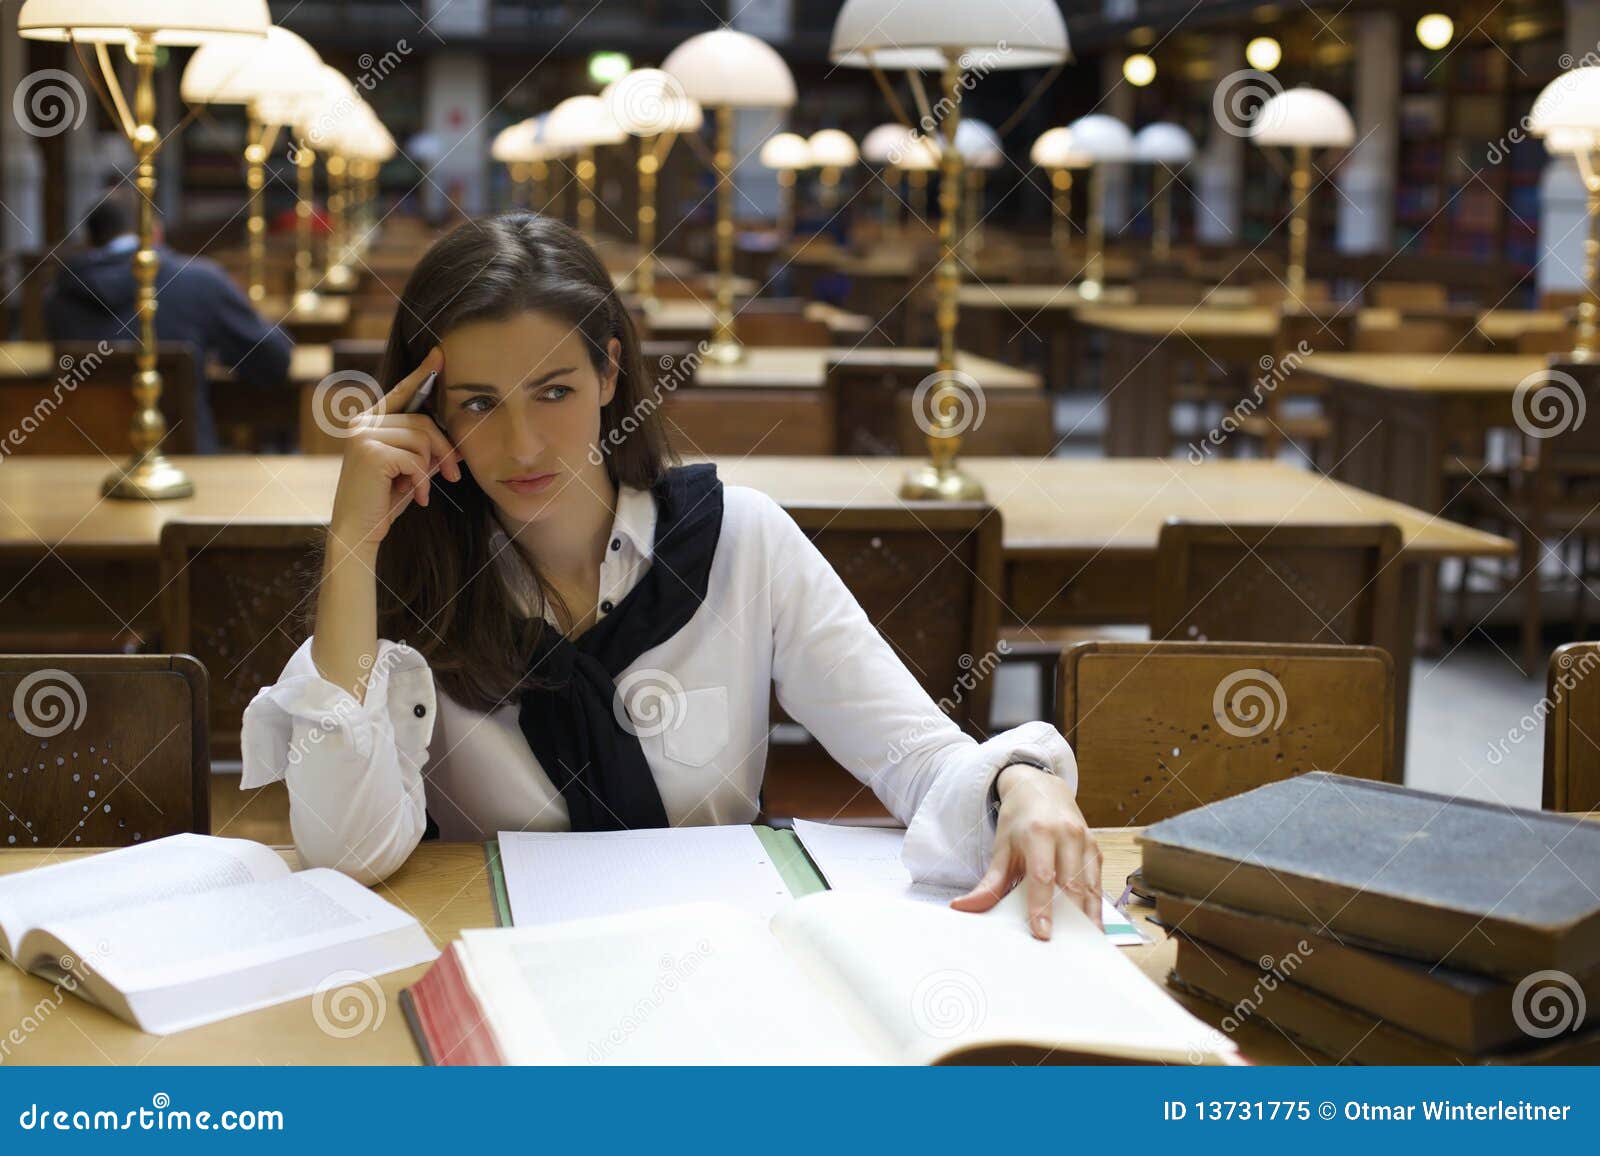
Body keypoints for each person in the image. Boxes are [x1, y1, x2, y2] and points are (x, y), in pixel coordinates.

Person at [240, 212, 1100, 939]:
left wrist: (1018, 782)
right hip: (505, 984)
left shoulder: (739, 540)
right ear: (424, 407)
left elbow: (913, 753)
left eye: (553, 391)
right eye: (476, 402)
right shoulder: (405, 579)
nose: (524, 445)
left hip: (725, 975)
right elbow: (349, 855)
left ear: (611, 373)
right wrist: (353, 544)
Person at [44, 190, 294, 452]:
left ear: (90, 240)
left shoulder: (59, 295)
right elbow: (273, 360)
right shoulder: (199, 280)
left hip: (81, 466)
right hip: (186, 470)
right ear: (155, 232)